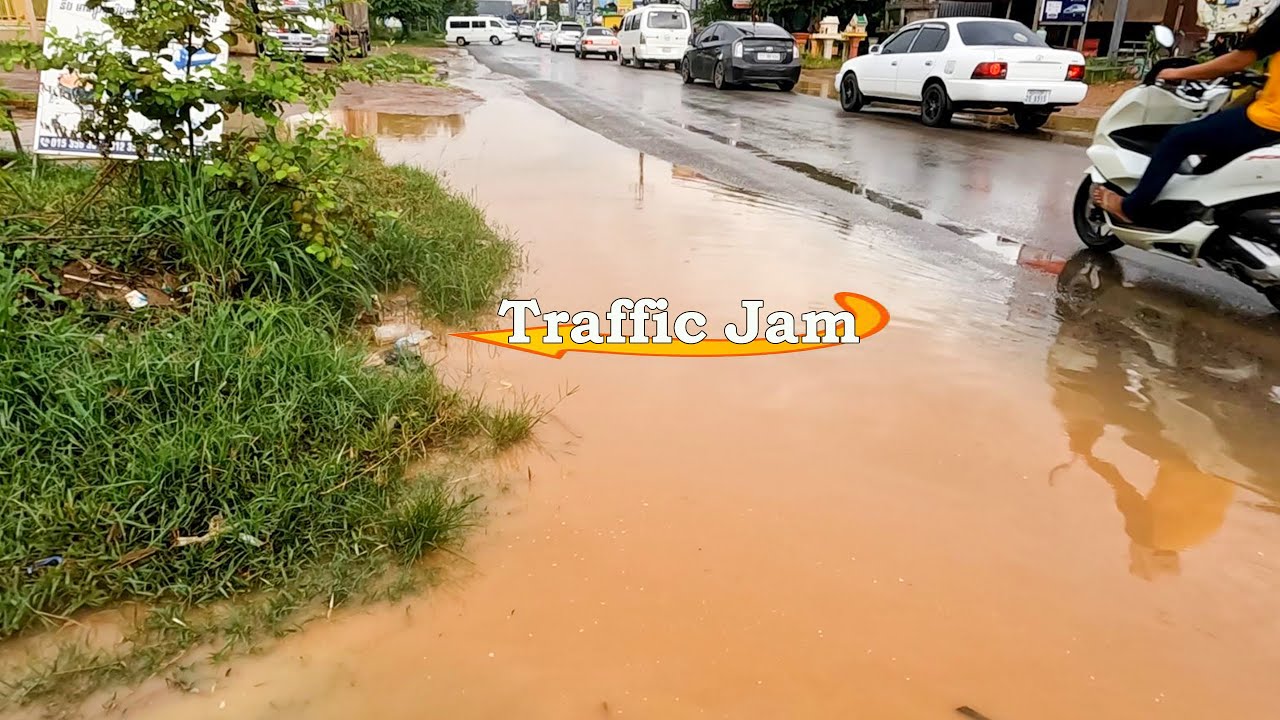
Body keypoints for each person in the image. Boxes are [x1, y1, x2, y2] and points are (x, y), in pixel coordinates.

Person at [1093, 12, 1280, 224]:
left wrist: (1176, 74)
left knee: (1178, 139)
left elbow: (1239, 59)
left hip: (1269, 121)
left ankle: (1130, 208)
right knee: (1217, 156)